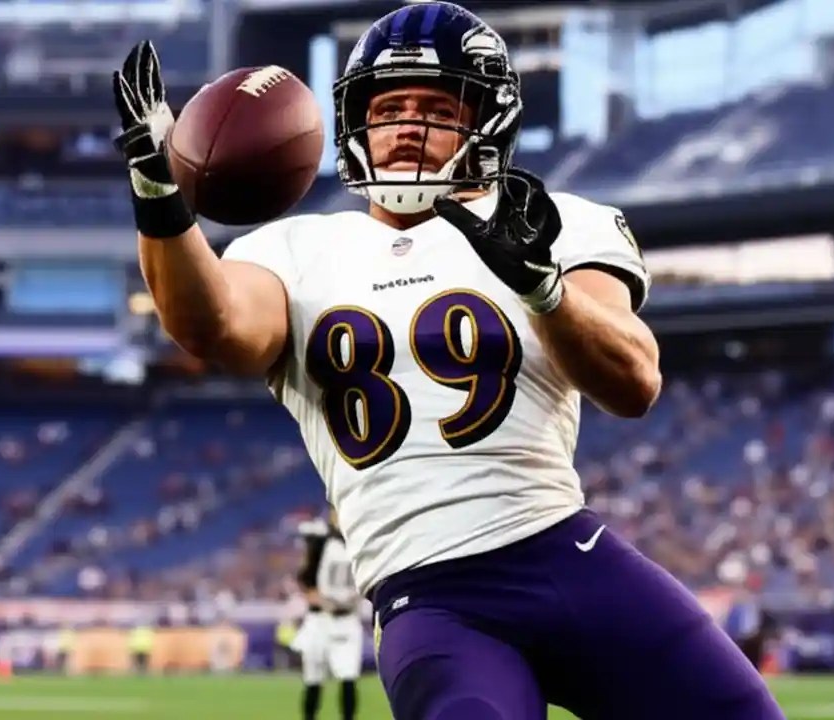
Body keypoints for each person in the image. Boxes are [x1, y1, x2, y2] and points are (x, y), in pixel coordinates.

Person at [112, 2, 785, 718]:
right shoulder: (295, 251)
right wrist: (158, 188)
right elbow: (211, 325)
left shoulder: (550, 221)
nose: (407, 126)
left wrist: (543, 288)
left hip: (564, 553)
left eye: (436, 109)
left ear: (488, 120)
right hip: (430, 594)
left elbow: (635, 382)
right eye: (387, 109)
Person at [292, 511, 362, 720]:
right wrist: (322, 600)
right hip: (321, 619)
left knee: (348, 676)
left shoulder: (358, 539)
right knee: (313, 679)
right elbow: (305, 580)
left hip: (347, 619)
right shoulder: (323, 542)